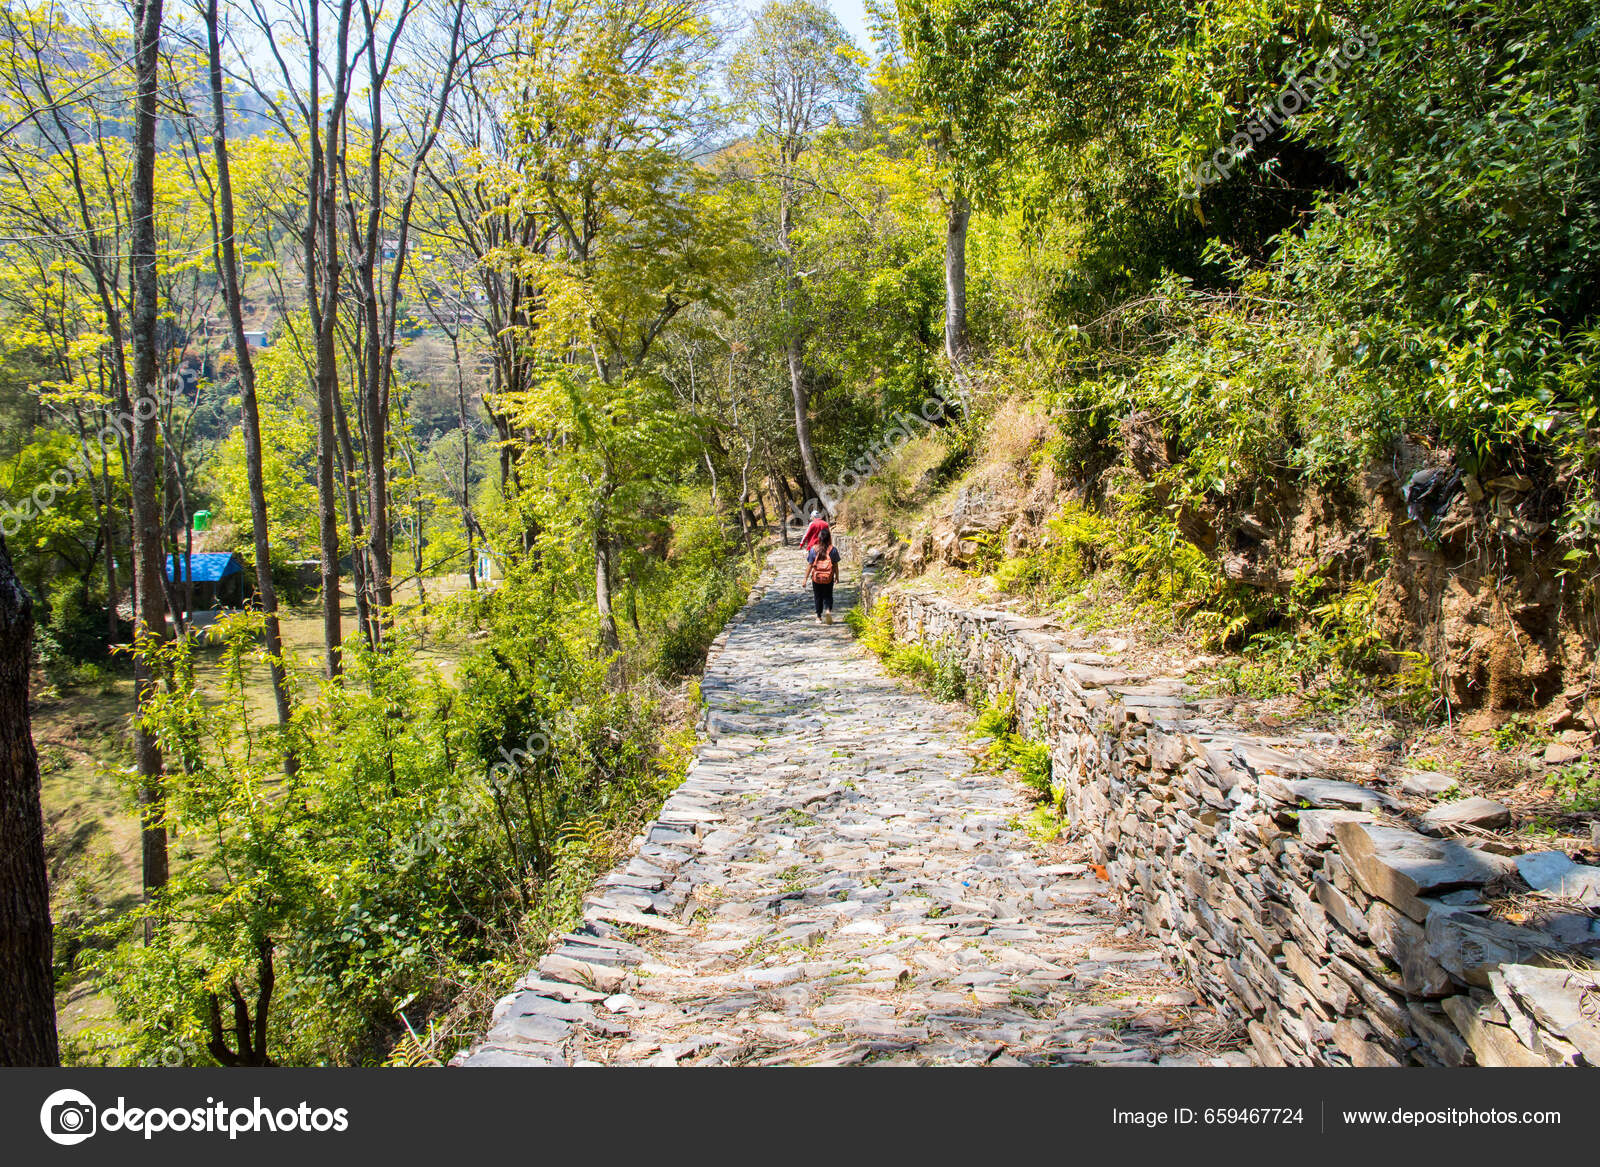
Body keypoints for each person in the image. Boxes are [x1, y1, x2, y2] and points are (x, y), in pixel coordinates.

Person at [803, 527, 841, 624]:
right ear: (829, 538)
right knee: (828, 595)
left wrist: (805, 579)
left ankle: (819, 617)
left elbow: (810, 565)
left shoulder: (813, 549)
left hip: (817, 577)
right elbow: (835, 565)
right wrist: (837, 577)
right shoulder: (833, 550)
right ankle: (828, 610)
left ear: (819, 538)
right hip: (829, 577)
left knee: (818, 596)